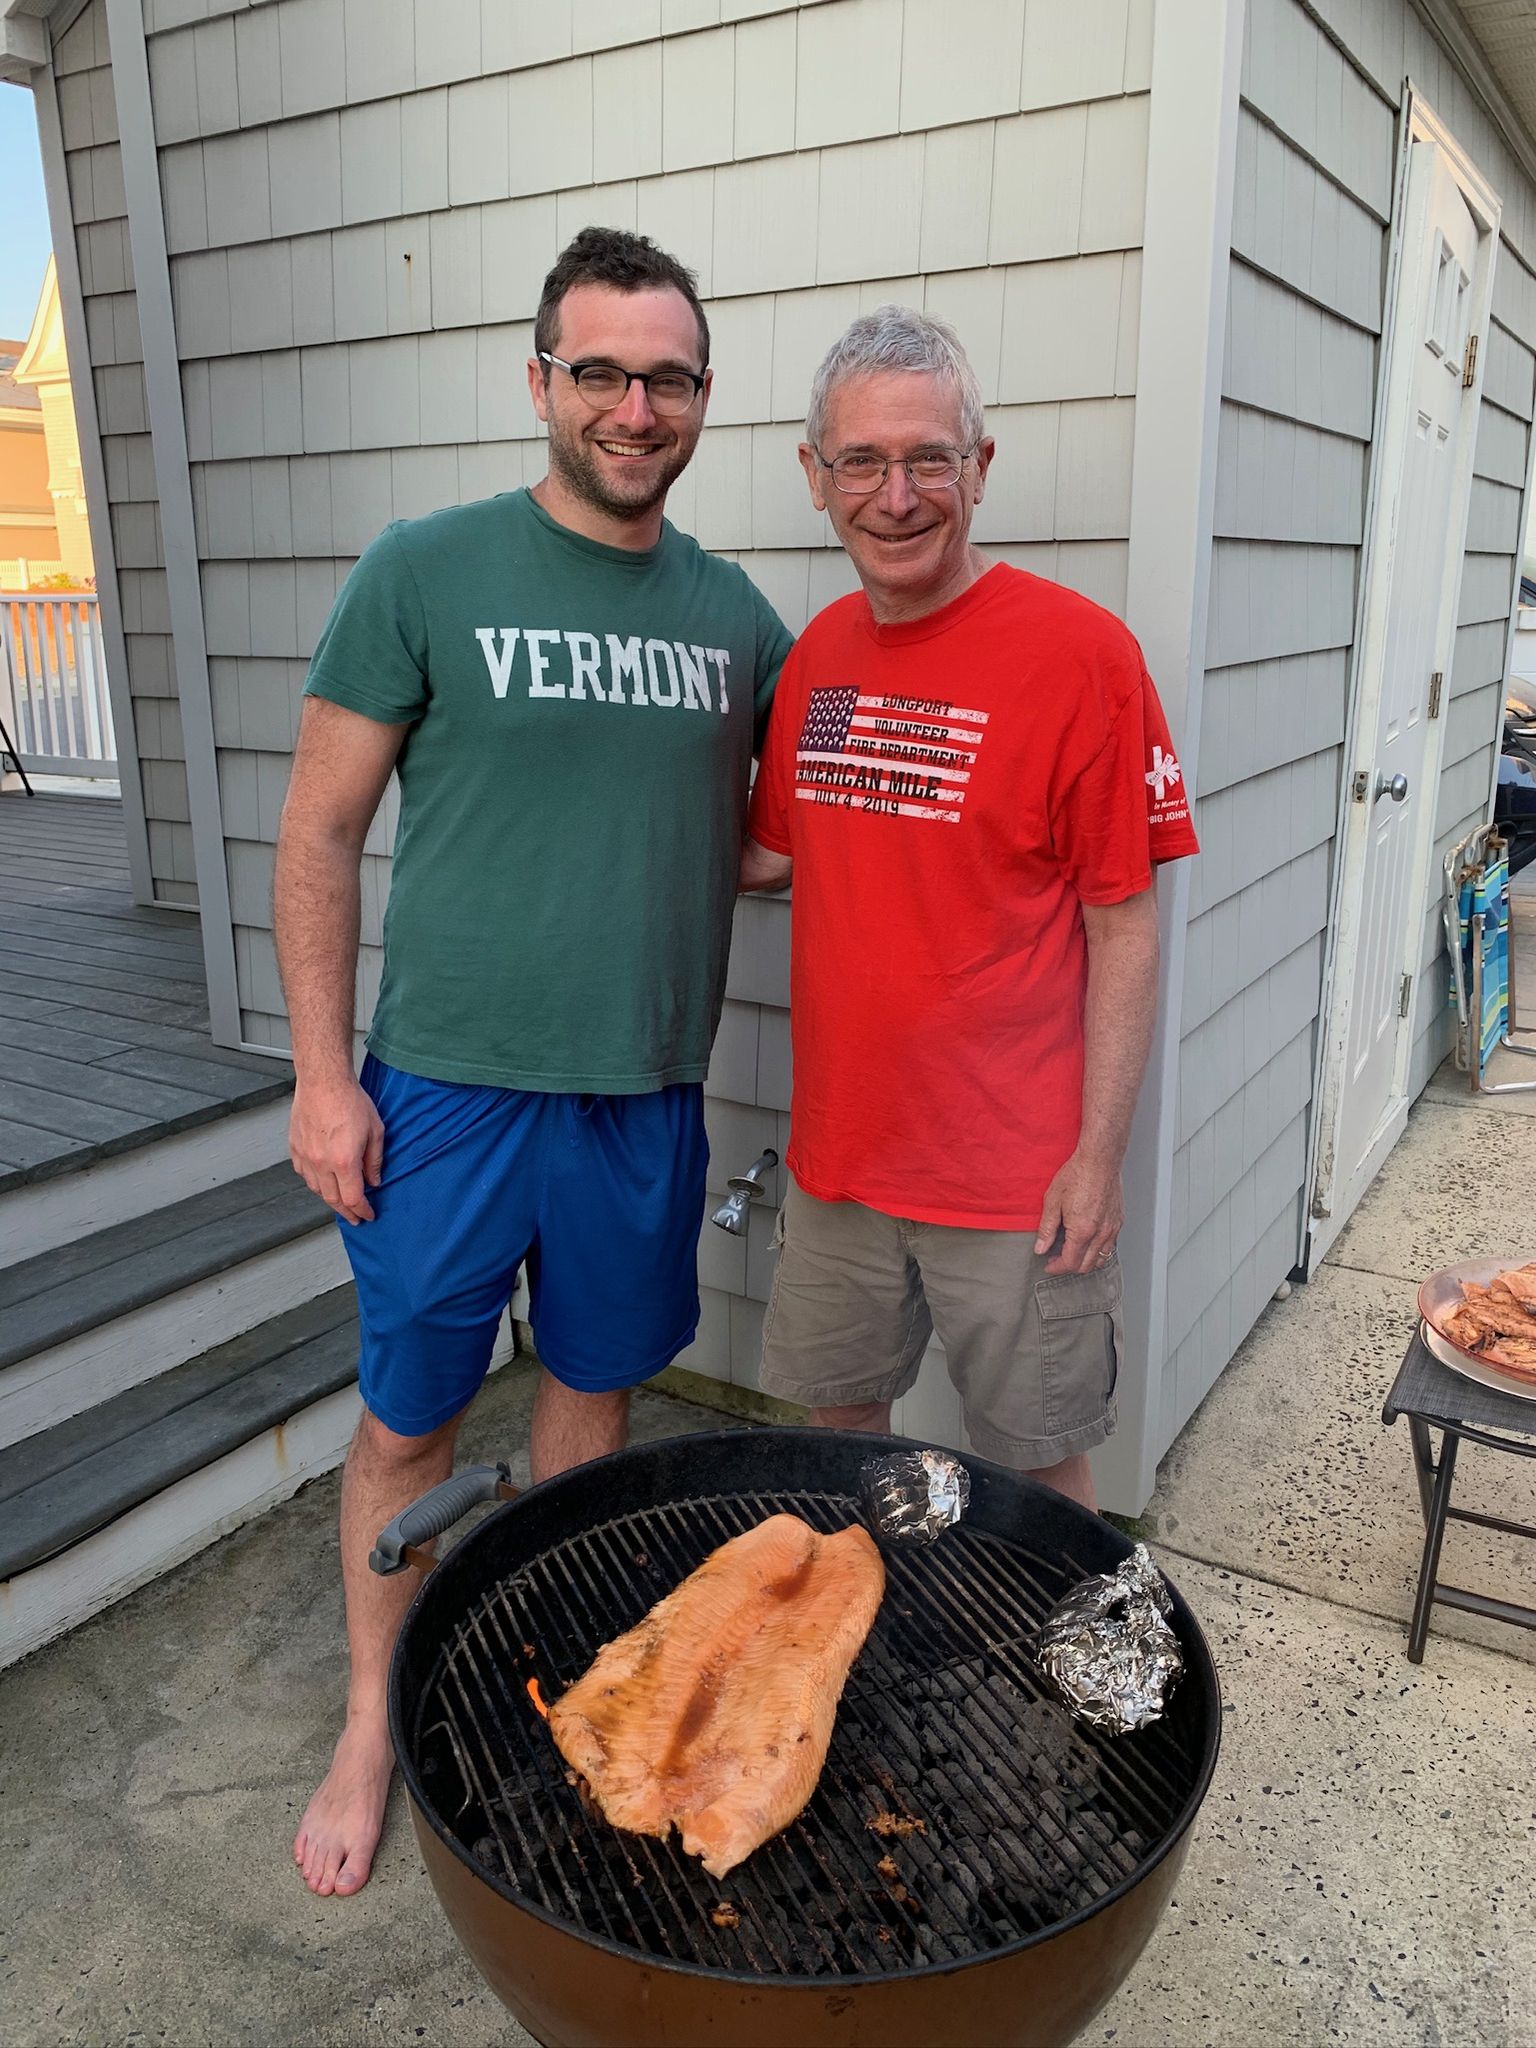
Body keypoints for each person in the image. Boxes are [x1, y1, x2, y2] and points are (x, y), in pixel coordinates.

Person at [275, 226, 792, 1898]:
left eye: (669, 378)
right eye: (602, 372)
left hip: (640, 1093)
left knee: (593, 1393)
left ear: (701, 396)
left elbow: (778, 830)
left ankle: (575, 1682)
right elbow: (318, 829)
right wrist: (322, 1078)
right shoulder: (425, 570)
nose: (635, 407)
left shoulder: (736, 618)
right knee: (410, 1416)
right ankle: (372, 1718)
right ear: (542, 382)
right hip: (445, 1090)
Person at [741, 307, 1197, 1514]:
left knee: (1040, 1472)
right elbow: (770, 853)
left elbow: (1125, 924)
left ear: (979, 467)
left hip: (1016, 1180)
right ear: (816, 477)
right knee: (840, 1439)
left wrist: (1097, 1158)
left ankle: (1057, 1645)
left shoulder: (1085, 659)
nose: (896, 497)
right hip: (839, 1160)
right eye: (861, 462)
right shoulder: (819, 660)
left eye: (928, 459)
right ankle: (878, 1610)